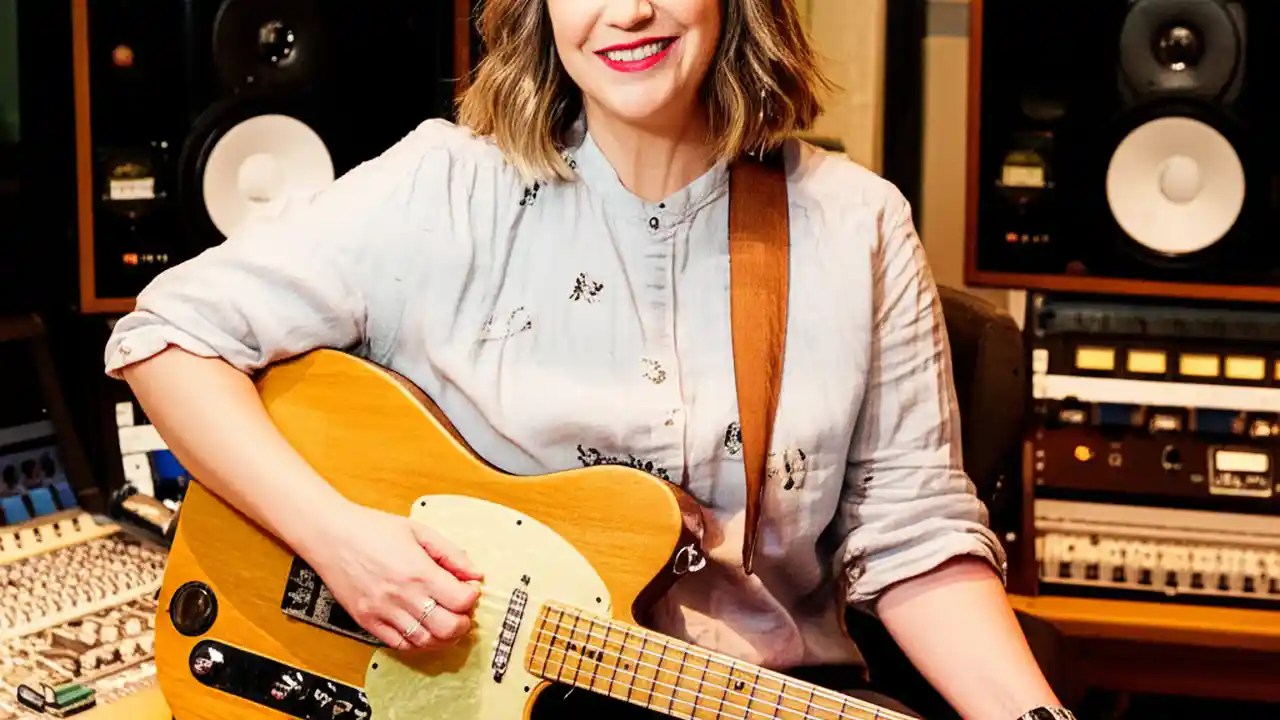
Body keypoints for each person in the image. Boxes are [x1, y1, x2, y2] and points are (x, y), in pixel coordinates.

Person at [104, 0, 1073, 718]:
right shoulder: (445, 188)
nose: (629, 10)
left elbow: (914, 540)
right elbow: (166, 337)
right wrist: (341, 541)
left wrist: (1033, 716)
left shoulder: (855, 224)